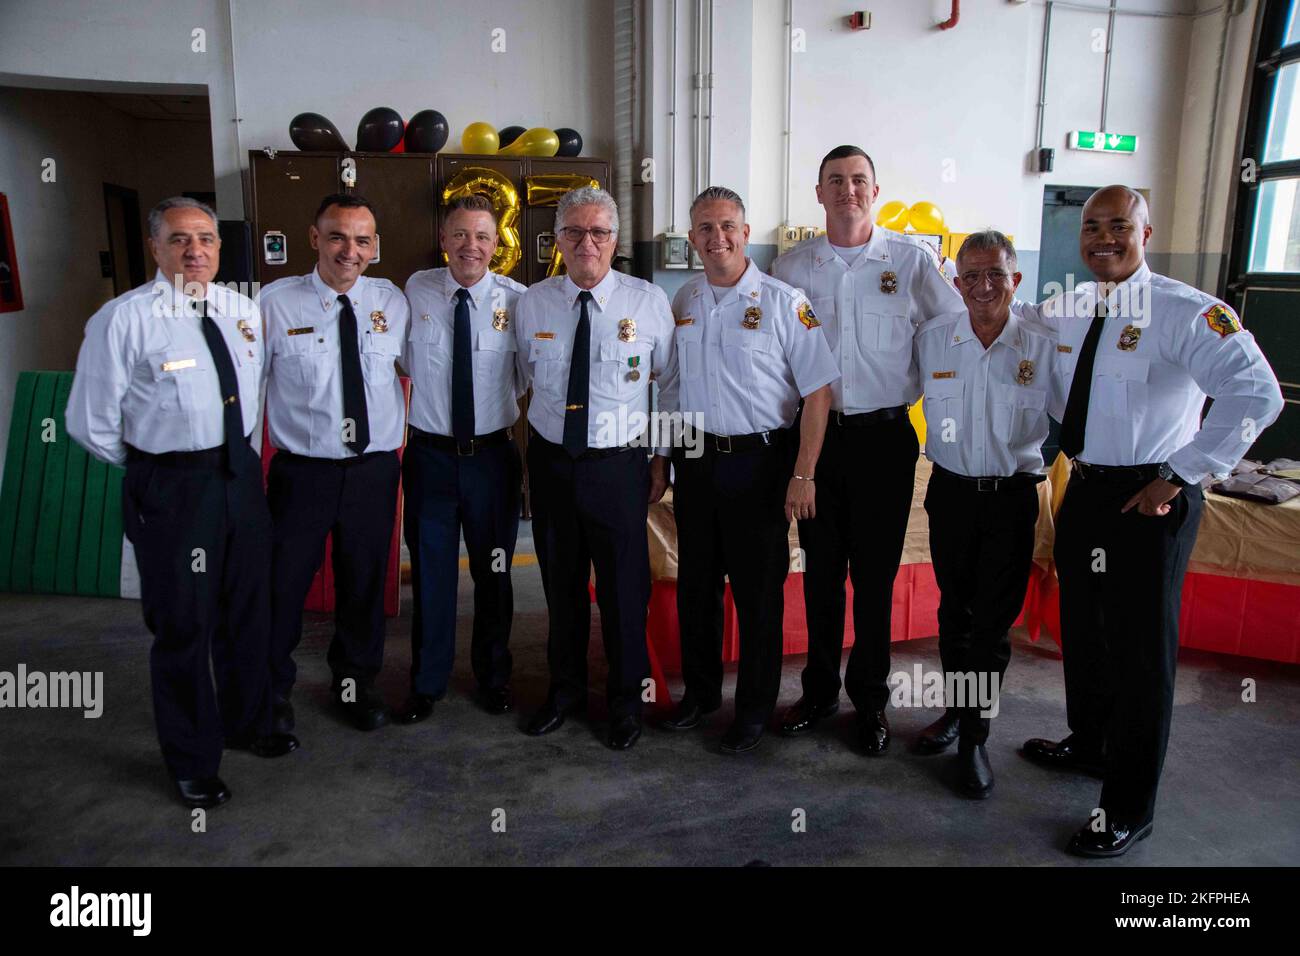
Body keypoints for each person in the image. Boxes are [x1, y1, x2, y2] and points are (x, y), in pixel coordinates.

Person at [1023, 185, 1282, 856]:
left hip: (1151, 499)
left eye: (1118, 226)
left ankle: (1129, 806)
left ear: (1146, 231)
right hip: (1086, 489)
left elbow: (1257, 394)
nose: (1103, 238)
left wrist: (1184, 469)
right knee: (1084, 632)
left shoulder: (1188, 313)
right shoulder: (1068, 309)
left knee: (1141, 657)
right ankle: (1091, 743)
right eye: (1092, 228)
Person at [66, 196, 297, 809]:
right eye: (179, 240)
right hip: (171, 487)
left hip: (239, 480)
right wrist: (157, 471)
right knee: (183, 627)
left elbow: (251, 397)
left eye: (206, 239)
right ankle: (193, 758)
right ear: (155, 247)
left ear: (220, 248)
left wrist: (233, 465)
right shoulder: (123, 320)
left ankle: (249, 723)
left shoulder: (242, 310)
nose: (195, 251)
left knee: (250, 611)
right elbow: (89, 423)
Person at [770, 145, 962, 754]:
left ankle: (870, 704)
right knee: (821, 573)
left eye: (859, 180)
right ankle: (820, 691)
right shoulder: (790, 268)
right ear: (819, 192)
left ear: (875, 191)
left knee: (874, 579)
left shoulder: (912, 260)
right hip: (817, 440)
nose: (847, 190)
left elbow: (953, 333)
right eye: (836, 180)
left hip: (885, 439)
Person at [657, 187, 837, 754]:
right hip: (695, 460)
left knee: (759, 594)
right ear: (691, 239)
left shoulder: (786, 302)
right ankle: (702, 694)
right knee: (697, 587)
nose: (718, 238)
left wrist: (803, 473)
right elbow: (668, 389)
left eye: (728, 225)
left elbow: (818, 393)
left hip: (761, 464)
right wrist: (659, 459)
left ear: (745, 230)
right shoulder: (682, 299)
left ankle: (754, 708)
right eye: (705, 228)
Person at [514, 186, 675, 751]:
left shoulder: (648, 302)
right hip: (555, 464)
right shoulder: (531, 304)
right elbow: (520, 382)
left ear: (614, 240)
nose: (587, 242)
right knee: (560, 587)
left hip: (619, 468)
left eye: (599, 232)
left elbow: (671, 388)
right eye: (574, 232)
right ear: (557, 240)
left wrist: (661, 458)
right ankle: (565, 693)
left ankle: (626, 702)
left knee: (623, 592)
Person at [259, 194, 410, 734]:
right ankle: (269, 694)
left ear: (375, 246)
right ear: (314, 239)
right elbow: (249, 391)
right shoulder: (274, 304)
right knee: (282, 586)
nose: (350, 250)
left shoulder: (392, 302)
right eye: (338, 237)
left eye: (362, 239)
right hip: (303, 473)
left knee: (363, 586)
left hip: (373, 470)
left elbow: (418, 367)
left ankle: (353, 686)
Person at [912, 230, 1054, 797]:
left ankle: (974, 739)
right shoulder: (933, 337)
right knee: (955, 614)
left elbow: (1077, 413)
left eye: (995, 273)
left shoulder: (1044, 342)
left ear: (1015, 279)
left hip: (1011, 497)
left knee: (992, 625)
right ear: (956, 281)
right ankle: (955, 712)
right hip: (950, 495)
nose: (983, 285)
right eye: (970, 275)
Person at [399, 195, 527, 723]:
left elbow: (529, 376)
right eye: (460, 234)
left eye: (481, 236)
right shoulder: (415, 290)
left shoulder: (520, 301)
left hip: (491, 460)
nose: (470, 245)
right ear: (444, 239)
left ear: (495, 245)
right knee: (431, 574)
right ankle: (427, 682)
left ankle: (493, 677)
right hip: (429, 458)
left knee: (494, 573)